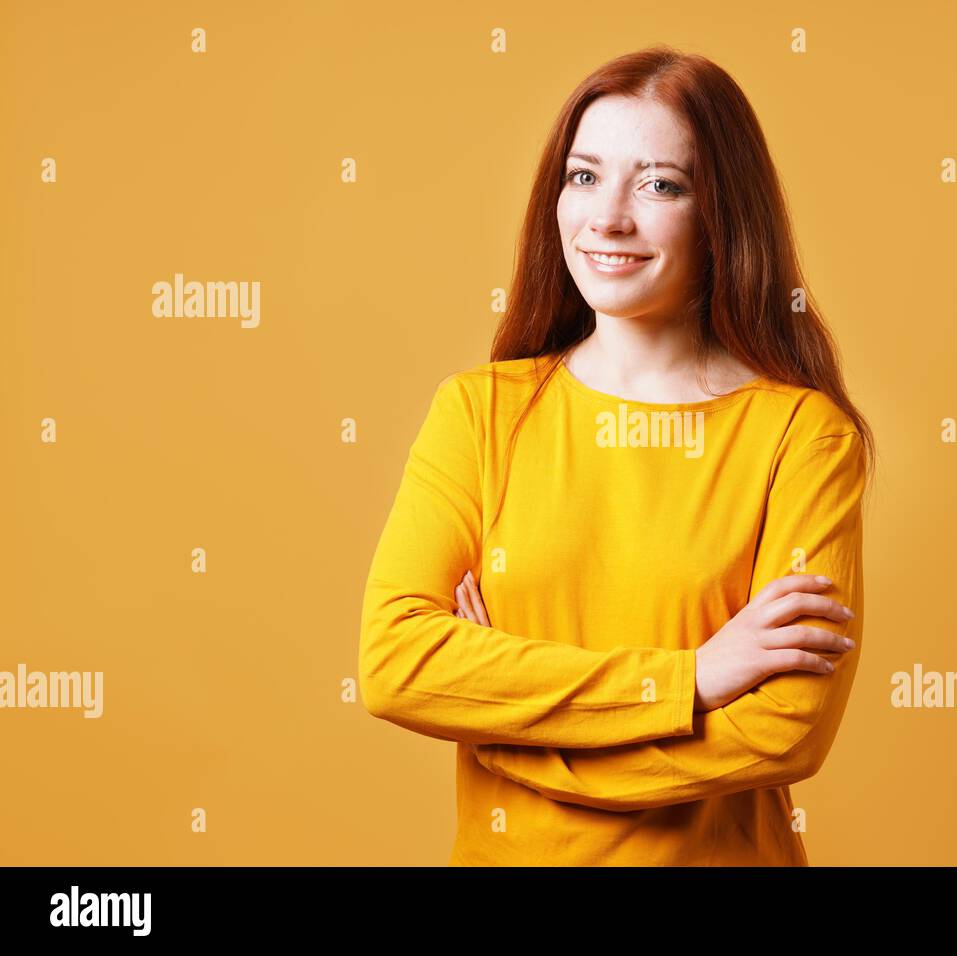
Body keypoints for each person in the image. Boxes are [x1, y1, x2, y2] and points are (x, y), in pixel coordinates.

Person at [358, 45, 876, 865]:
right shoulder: (479, 412)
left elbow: (784, 735)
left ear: (723, 213)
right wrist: (692, 682)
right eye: (584, 176)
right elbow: (394, 661)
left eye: (661, 184)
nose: (607, 218)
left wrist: (514, 736)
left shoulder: (803, 437)